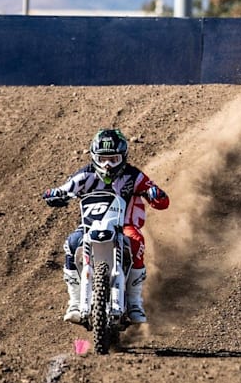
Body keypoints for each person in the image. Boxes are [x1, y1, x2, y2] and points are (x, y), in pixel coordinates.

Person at [41, 128, 169, 324]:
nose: (107, 165)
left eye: (113, 159)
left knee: (135, 242)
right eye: (102, 159)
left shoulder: (133, 176)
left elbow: (159, 197)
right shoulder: (86, 175)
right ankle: (75, 301)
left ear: (123, 158)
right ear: (94, 158)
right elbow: (65, 189)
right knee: (72, 243)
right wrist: (54, 194)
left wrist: (154, 194)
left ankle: (134, 301)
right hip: (90, 226)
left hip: (123, 225)